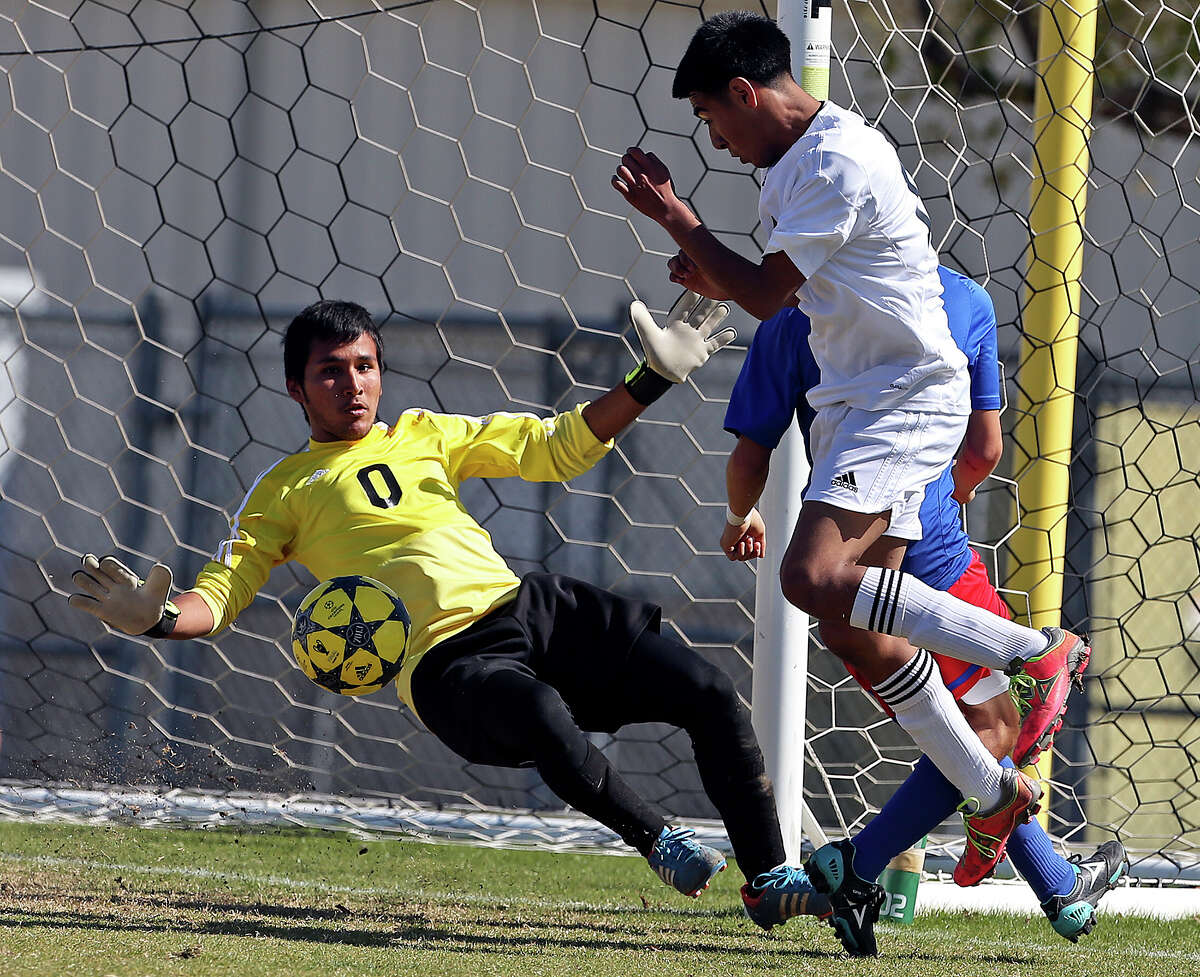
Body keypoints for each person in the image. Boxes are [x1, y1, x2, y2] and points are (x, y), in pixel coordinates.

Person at [67, 296, 831, 921]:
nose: (352, 384)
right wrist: (159, 617)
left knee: (710, 692)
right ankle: (658, 839)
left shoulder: (425, 434)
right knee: (538, 711)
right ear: (296, 389)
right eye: (330, 371)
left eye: (364, 366)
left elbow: (555, 446)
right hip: (445, 664)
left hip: (527, 607)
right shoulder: (285, 490)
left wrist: (652, 377)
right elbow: (224, 591)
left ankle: (770, 878)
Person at [613, 7, 1091, 908]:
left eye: (713, 119)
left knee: (810, 577)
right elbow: (789, 292)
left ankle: (1038, 651)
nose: (716, 141)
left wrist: (678, 217)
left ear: (746, 92)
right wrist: (708, 268)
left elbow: (768, 296)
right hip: (855, 403)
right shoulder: (791, 168)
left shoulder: (837, 159)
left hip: (900, 397)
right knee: (852, 627)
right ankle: (993, 798)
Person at [723, 265, 1128, 954]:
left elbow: (750, 454)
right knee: (994, 728)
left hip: (849, 562)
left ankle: (1057, 888)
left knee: (969, 735)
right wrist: (944, 499)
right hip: (934, 555)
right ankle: (860, 863)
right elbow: (985, 448)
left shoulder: (791, 315)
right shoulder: (963, 297)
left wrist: (739, 518)